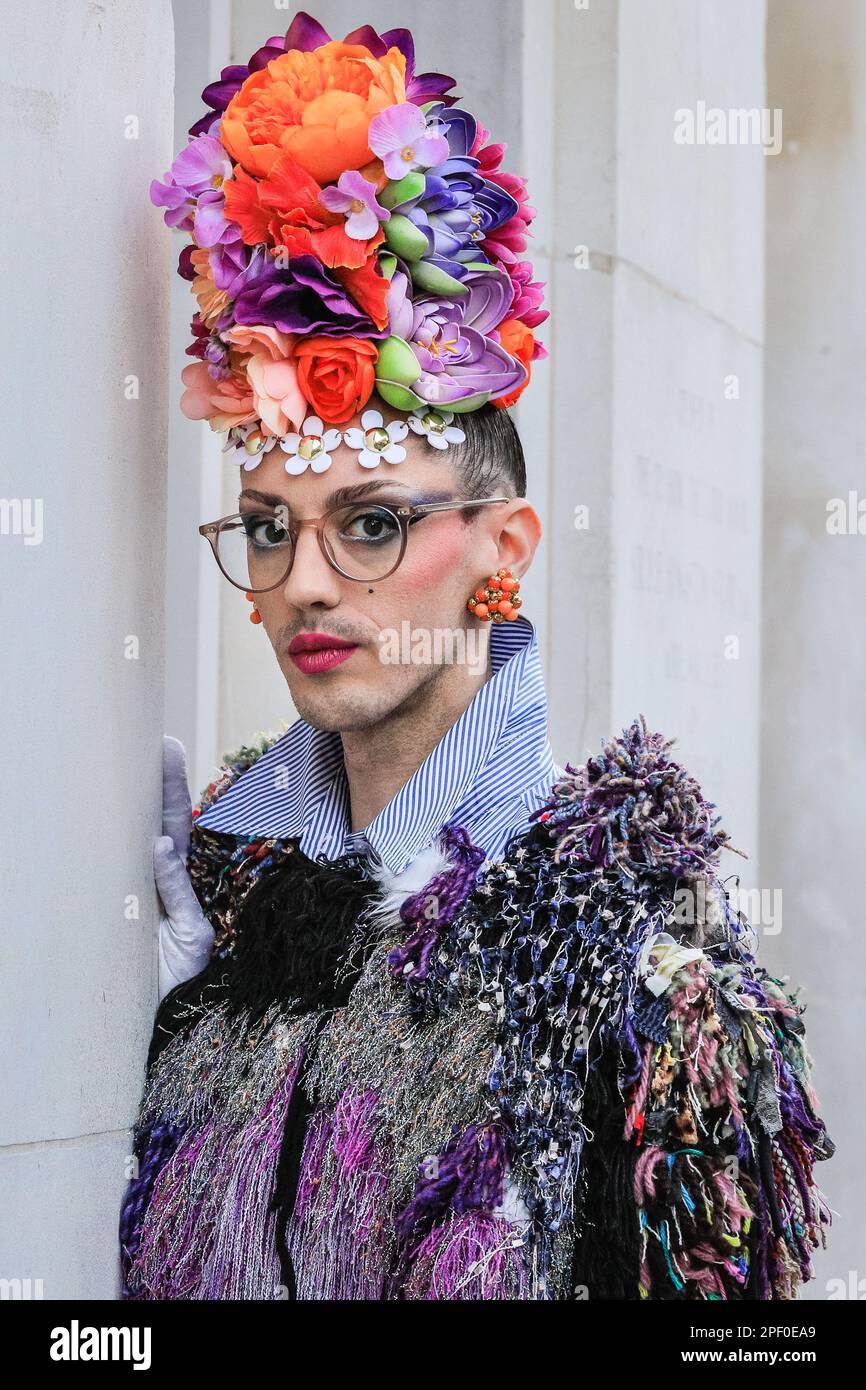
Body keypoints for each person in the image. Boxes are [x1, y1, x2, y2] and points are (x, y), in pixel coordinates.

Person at [119, 10, 833, 1301]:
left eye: (374, 522)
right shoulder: (227, 887)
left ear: (503, 545)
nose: (305, 584)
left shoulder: (640, 965)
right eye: (269, 528)